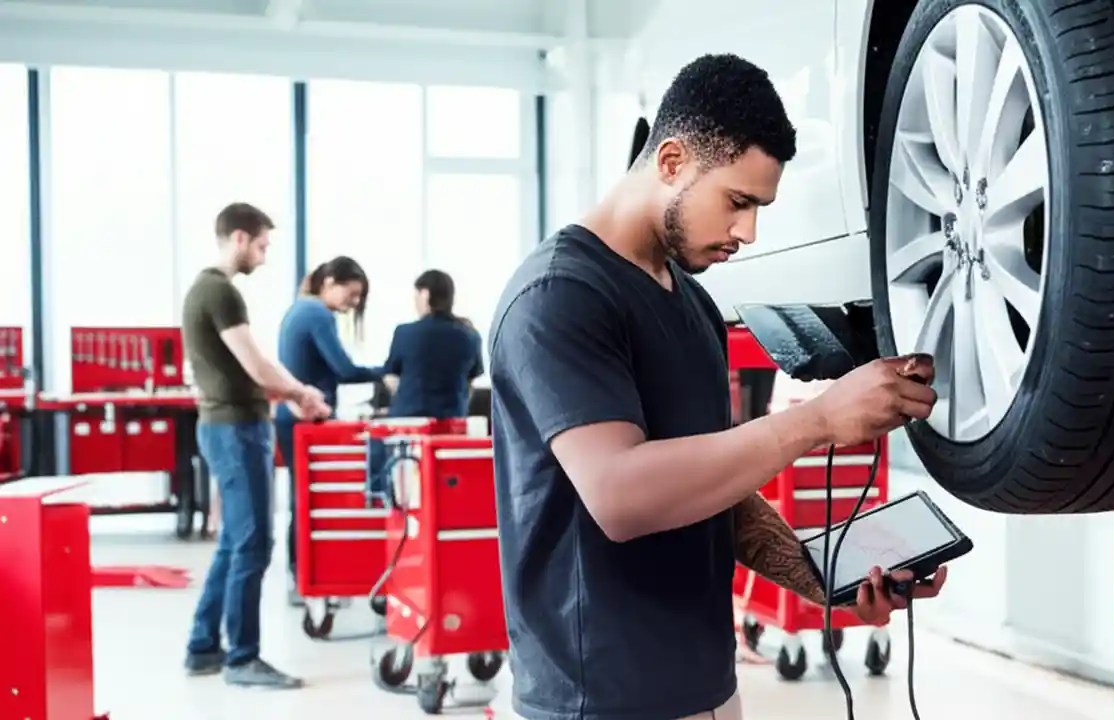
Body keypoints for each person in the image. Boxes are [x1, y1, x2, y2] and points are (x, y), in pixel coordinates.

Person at [487, 54, 948, 720]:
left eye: (759, 208)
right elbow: (622, 495)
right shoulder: (560, 296)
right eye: (738, 202)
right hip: (600, 703)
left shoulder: (693, 304)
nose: (747, 232)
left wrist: (823, 577)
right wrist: (816, 421)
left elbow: (714, 492)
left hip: (708, 691)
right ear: (672, 162)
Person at [181, 202, 330, 689]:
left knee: (233, 543)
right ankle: (242, 658)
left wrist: (290, 392)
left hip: (227, 426)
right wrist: (303, 393)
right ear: (239, 238)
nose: (264, 257)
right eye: (262, 245)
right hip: (236, 429)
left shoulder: (207, 290)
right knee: (253, 544)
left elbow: (257, 363)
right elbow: (257, 366)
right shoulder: (220, 292)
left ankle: (203, 647)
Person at [276, 256, 385, 589]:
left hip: (290, 416)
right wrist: (388, 372)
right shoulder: (317, 314)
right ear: (330, 283)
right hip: (306, 419)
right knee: (308, 498)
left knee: (302, 494)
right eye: (350, 295)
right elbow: (344, 369)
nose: (352, 304)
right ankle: (306, 575)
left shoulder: (299, 309)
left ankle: (300, 572)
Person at [382, 269, 484, 420]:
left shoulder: (404, 332)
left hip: (408, 422)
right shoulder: (470, 335)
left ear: (425, 294)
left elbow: (390, 376)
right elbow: (469, 384)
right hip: (451, 423)